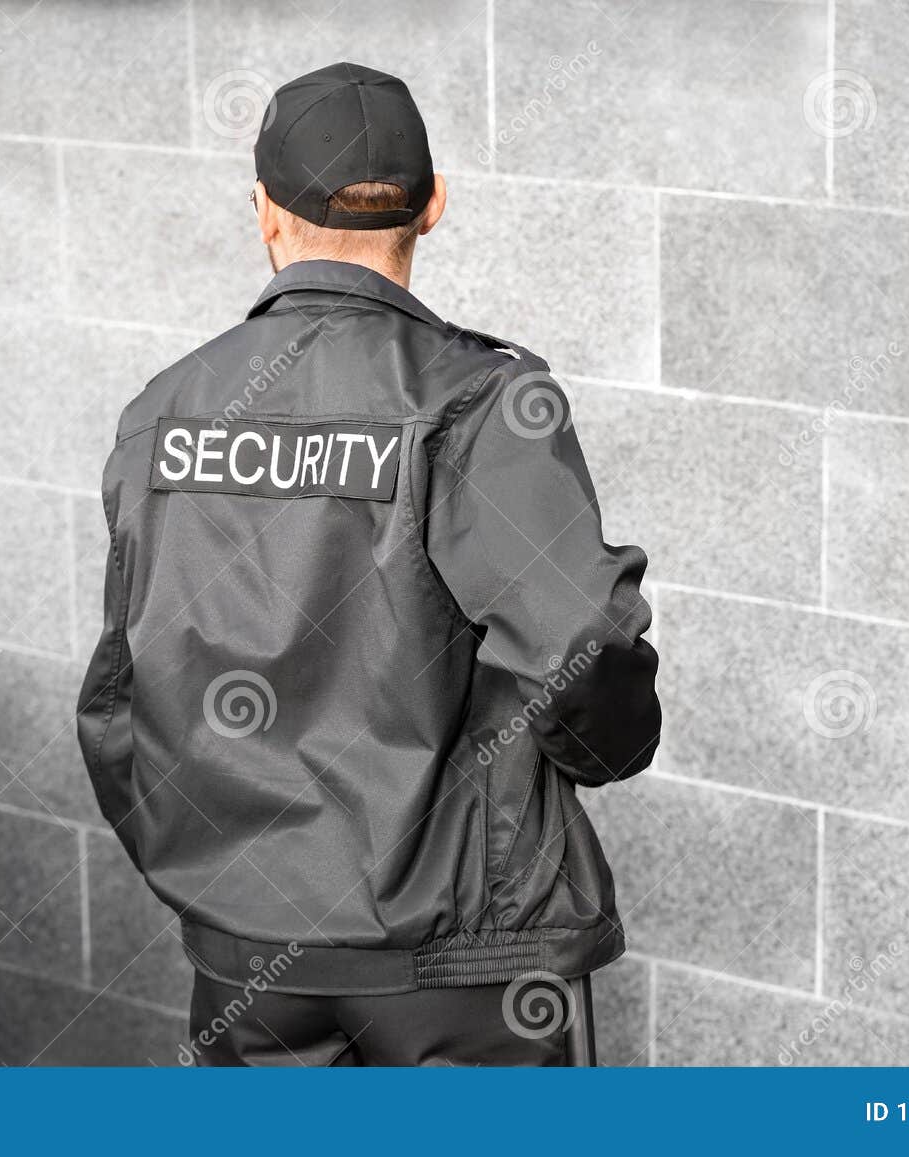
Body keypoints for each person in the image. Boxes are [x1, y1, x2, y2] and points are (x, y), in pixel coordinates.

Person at [77, 61, 661, 1067]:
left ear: (264, 211)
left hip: (248, 965)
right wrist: (610, 750)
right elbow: (578, 641)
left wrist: (211, 874)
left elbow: (119, 694)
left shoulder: (163, 413)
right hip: (462, 969)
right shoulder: (479, 403)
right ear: (432, 206)